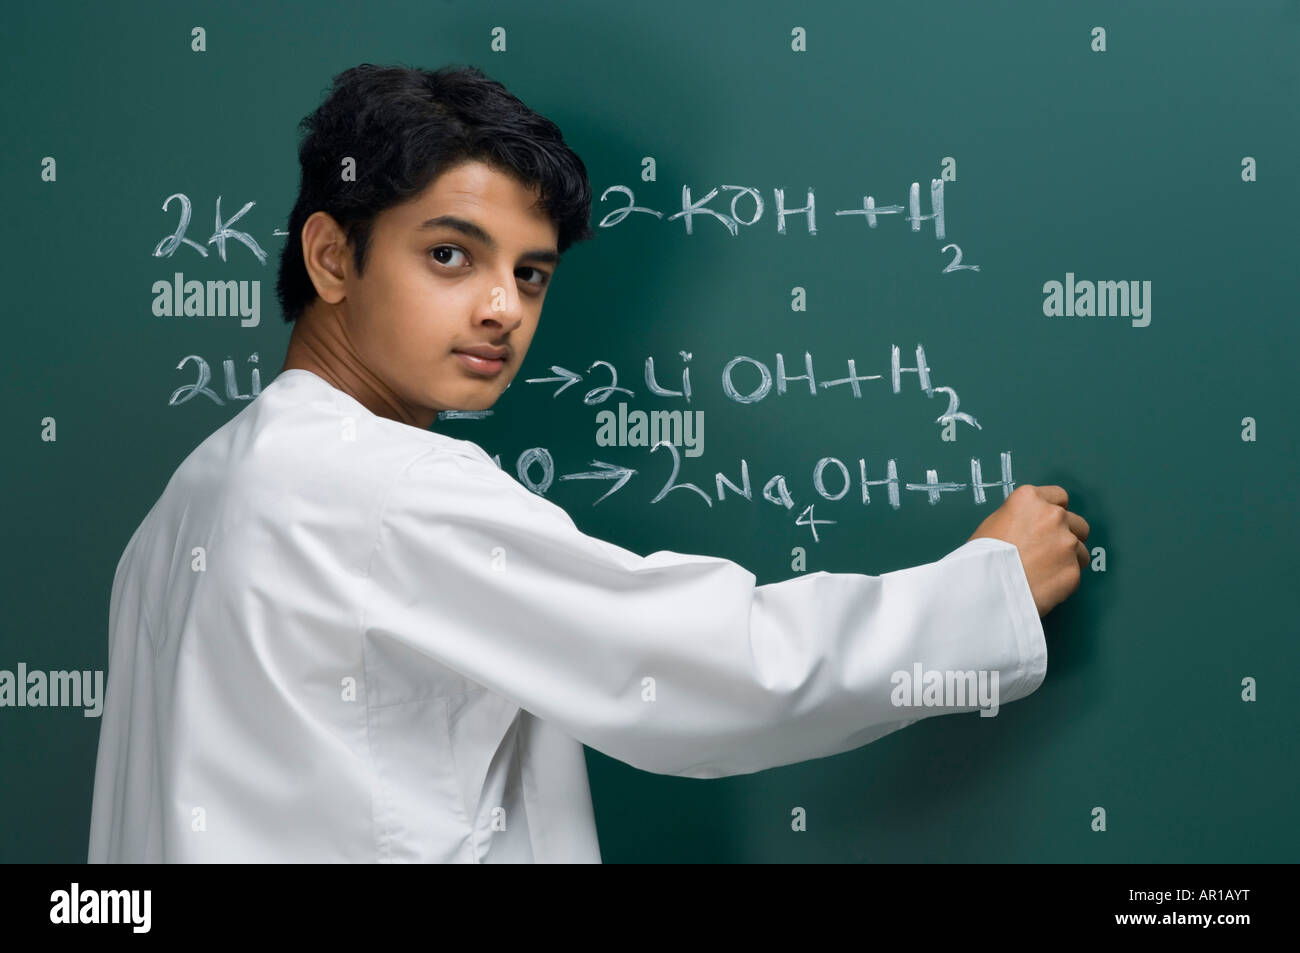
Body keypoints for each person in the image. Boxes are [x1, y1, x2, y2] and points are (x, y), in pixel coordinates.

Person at [88, 64, 1089, 863]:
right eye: (450, 254)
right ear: (333, 256)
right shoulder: (379, 486)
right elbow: (712, 669)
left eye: (529, 273)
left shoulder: (189, 506)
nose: (501, 308)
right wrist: (983, 593)